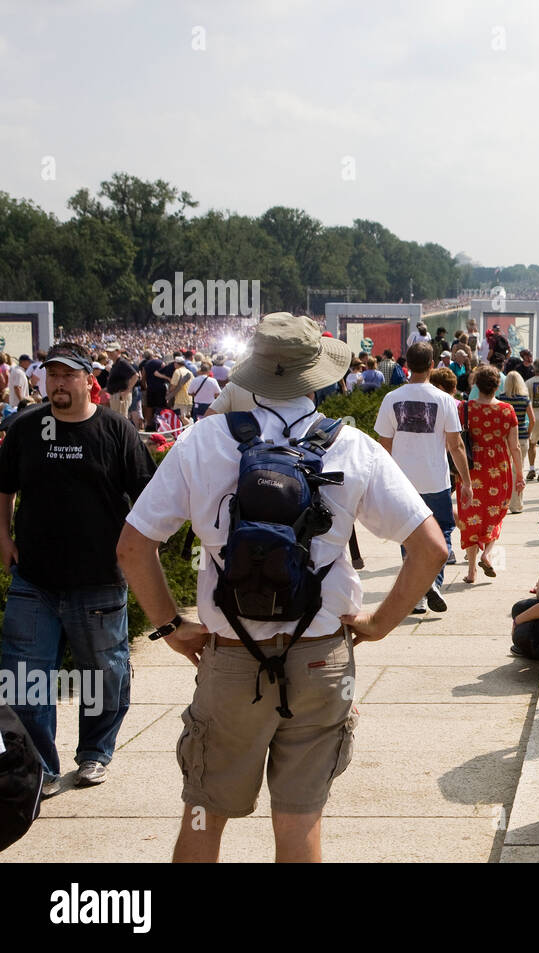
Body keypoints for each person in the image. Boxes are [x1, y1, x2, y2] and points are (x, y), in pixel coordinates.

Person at [116, 312, 444, 863]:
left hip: (229, 659)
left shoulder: (204, 441)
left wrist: (172, 626)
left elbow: (132, 546)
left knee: (204, 812)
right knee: (299, 821)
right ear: (319, 376)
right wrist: (378, 625)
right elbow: (431, 548)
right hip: (320, 660)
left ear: (255, 373)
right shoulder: (353, 448)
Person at [0, 342, 157, 795]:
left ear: (89, 380)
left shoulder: (116, 431)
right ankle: (43, 768)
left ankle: (94, 754)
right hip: (33, 579)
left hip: (100, 582)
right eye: (51, 375)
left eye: (68, 375)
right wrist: (4, 538)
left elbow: (149, 497)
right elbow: (2, 489)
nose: (58, 384)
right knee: (24, 681)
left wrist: (137, 551)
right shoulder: (25, 428)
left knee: (104, 676)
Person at [374, 342, 473, 613]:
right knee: (441, 533)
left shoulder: (391, 399)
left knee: (410, 536)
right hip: (436, 481)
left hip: (402, 481)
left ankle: (417, 595)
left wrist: (382, 481)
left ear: (407, 365)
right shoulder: (444, 400)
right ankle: (434, 582)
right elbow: (456, 445)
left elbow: (384, 445)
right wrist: (466, 481)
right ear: (432, 365)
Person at [455, 365, 525, 584]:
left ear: (475, 384)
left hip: (471, 468)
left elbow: (456, 442)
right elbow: (515, 447)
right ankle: (487, 553)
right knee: (495, 513)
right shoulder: (507, 410)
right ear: (497, 386)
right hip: (498, 468)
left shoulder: (465, 408)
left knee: (472, 517)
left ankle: (471, 571)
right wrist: (520, 474)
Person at [501, 370, 534, 514]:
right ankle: (516, 504)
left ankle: (503, 501)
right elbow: (531, 419)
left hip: (505, 437)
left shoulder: (501, 399)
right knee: (518, 471)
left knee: (504, 471)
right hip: (521, 436)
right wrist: (528, 432)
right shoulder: (524, 399)